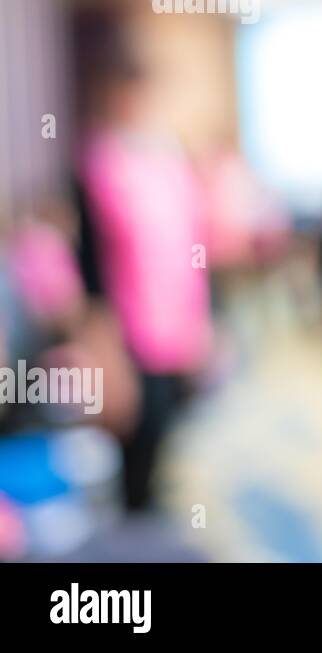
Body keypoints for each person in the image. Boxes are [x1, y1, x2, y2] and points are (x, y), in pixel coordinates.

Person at [76, 30, 212, 510]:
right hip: (129, 336)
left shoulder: (167, 160)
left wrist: (200, 325)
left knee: (170, 442)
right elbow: (90, 267)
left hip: (176, 330)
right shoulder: (98, 167)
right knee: (136, 446)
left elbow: (192, 252)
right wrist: (105, 350)